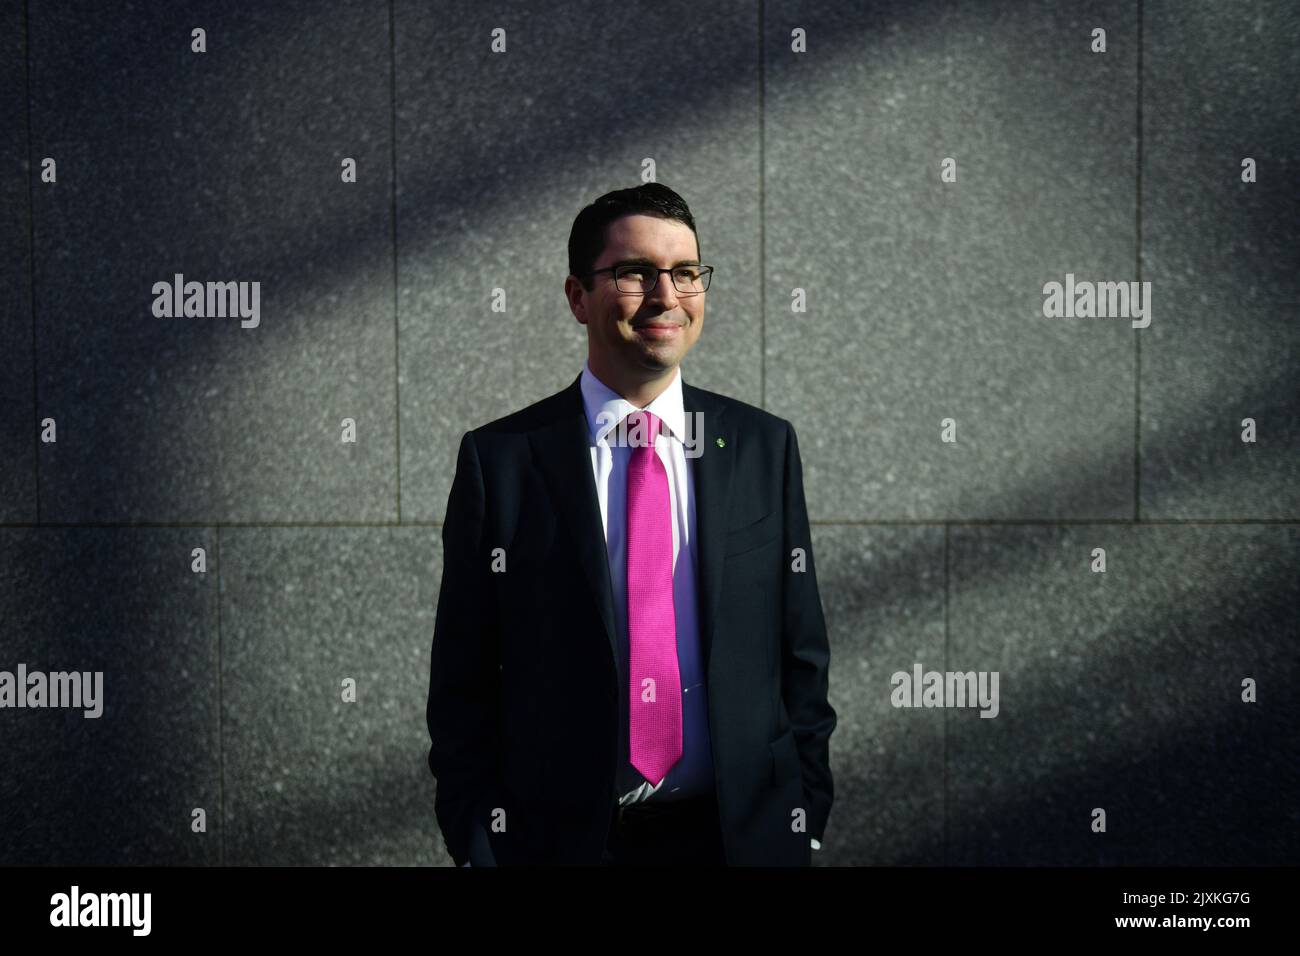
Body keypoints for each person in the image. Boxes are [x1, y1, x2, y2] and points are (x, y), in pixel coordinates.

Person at [425, 182, 836, 866]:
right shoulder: (501, 462)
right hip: (560, 847)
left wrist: (805, 815)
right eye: (635, 272)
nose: (666, 295)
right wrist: (478, 843)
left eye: (685, 272)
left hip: (740, 841)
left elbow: (801, 653)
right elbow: (464, 676)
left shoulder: (763, 446)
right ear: (577, 297)